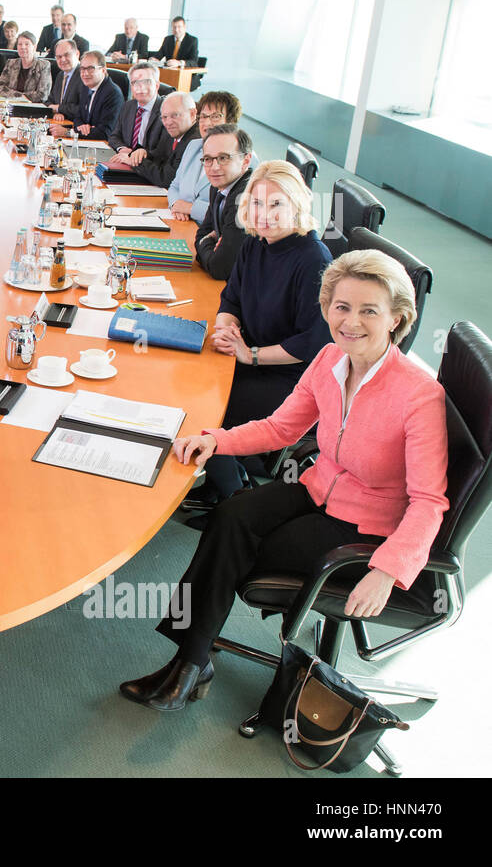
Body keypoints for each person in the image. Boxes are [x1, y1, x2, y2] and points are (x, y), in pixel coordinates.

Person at [122, 249, 447, 711]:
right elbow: (282, 428)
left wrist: (387, 569)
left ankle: (191, 663)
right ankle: (191, 659)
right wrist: (216, 441)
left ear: (397, 319)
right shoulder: (329, 360)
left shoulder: (419, 396)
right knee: (230, 514)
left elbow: (429, 501)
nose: (351, 321)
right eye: (341, 307)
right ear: (327, 309)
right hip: (317, 489)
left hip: (365, 528)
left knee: (239, 548)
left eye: (369, 310)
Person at [194, 160, 334, 506]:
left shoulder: (313, 258)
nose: (264, 214)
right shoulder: (256, 244)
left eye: (276, 204)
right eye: (257, 203)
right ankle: (222, 476)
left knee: (208, 410)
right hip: (248, 357)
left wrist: (250, 355)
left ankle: (236, 498)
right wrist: (226, 328)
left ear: (297, 206)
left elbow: (312, 343)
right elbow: (231, 298)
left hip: (291, 376)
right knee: (190, 383)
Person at [168, 90, 248, 223]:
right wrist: (176, 204)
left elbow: (236, 212)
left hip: (213, 233)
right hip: (182, 223)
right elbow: (174, 186)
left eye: (215, 116)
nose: (207, 123)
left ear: (231, 121)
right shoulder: (194, 146)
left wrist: (191, 209)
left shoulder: (242, 158)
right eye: (203, 116)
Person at [194, 123, 255, 282]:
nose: (214, 167)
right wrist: (209, 244)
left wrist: (205, 244)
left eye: (223, 158)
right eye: (208, 159)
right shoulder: (219, 185)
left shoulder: (246, 199)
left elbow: (220, 268)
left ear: (245, 160)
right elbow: (202, 233)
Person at [132, 92, 200, 189]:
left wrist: (137, 162)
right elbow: (158, 156)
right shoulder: (173, 132)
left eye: (175, 115)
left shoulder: (194, 142)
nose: (168, 123)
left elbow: (166, 179)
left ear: (192, 114)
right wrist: (142, 153)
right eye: (164, 117)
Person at [51, 50, 123, 140]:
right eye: (82, 69)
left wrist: (68, 132)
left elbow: (105, 132)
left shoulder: (112, 93)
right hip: (86, 140)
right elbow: (78, 117)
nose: (85, 73)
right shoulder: (86, 87)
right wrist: (82, 126)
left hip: (102, 145)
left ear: (103, 70)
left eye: (90, 68)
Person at [107, 62, 166, 160]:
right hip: (124, 162)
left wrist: (132, 156)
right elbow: (114, 136)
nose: (140, 87)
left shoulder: (165, 110)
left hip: (149, 168)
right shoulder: (128, 106)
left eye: (146, 82)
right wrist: (122, 149)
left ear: (156, 85)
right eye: (135, 83)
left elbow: (162, 151)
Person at [0, 32, 51, 103]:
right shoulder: (11, 63)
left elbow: (43, 95)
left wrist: (17, 97)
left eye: (27, 44)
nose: (23, 47)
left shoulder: (43, 65)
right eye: (20, 44)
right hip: (11, 105)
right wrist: (21, 97)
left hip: (32, 108)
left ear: (34, 47)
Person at [45, 39, 82, 119]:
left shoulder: (84, 75)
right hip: (59, 122)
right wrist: (56, 113)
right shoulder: (61, 75)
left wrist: (58, 108)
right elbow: (48, 101)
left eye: (67, 55)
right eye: (59, 57)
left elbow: (83, 109)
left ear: (77, 54)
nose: (63, 60)